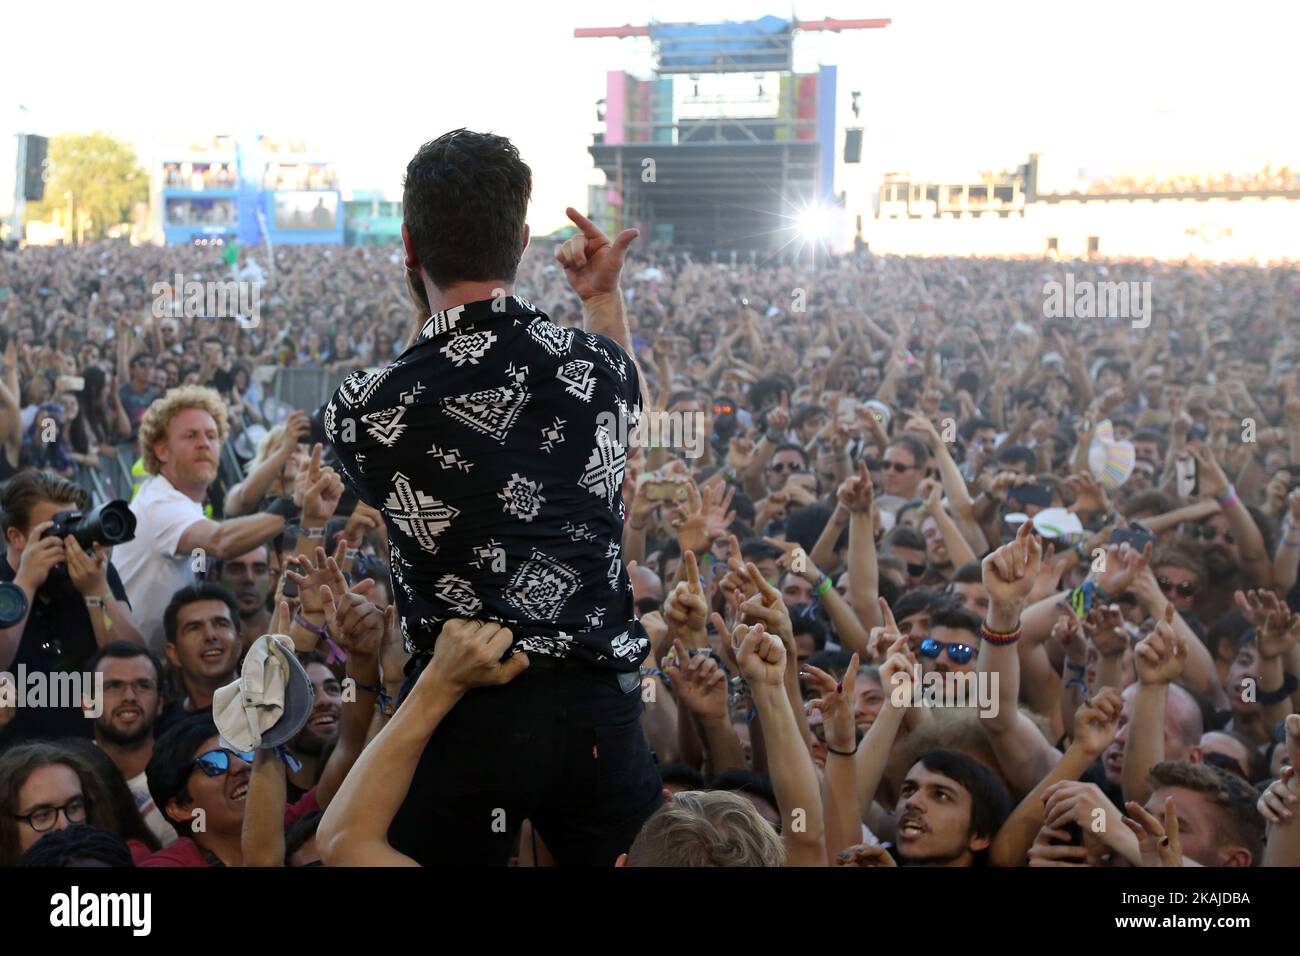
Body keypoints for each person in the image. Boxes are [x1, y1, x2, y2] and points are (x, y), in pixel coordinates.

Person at [324, 129, 659, 866]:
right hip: (601, 711)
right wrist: (602, 295)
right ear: (524, 241)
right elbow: (624, 403)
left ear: (409, 247)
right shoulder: (598, 363)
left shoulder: (362, 407)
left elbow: (429, 393)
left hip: (467, 704)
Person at [114, 386, 339, 651]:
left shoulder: (185, 503)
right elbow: (220, 540)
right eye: (190, 435)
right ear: (162, 450)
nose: (204, 443)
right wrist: (295, 504)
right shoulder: (159, 503)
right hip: (134, 669)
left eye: (212, 436)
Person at [0, 471, 143, 743]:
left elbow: (132, 660)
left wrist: (97, 591)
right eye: (55, 529)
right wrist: (26, 584)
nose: (68, 540)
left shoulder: (93, 573)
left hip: (91, 747)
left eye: (73, 524)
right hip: (17, 754)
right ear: (16, 537)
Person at [85, 640, 175, 847]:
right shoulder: (66, 776)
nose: (129, 697)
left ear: (160, 703)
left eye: (143, 685)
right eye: (113, 686)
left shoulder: (183, 778)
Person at [155, 583, 242, 735]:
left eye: (221, 624)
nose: (210, 635)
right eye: (194, 628)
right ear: (173, 654)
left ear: (239, 643)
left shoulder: (271, 708)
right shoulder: (160, 725)